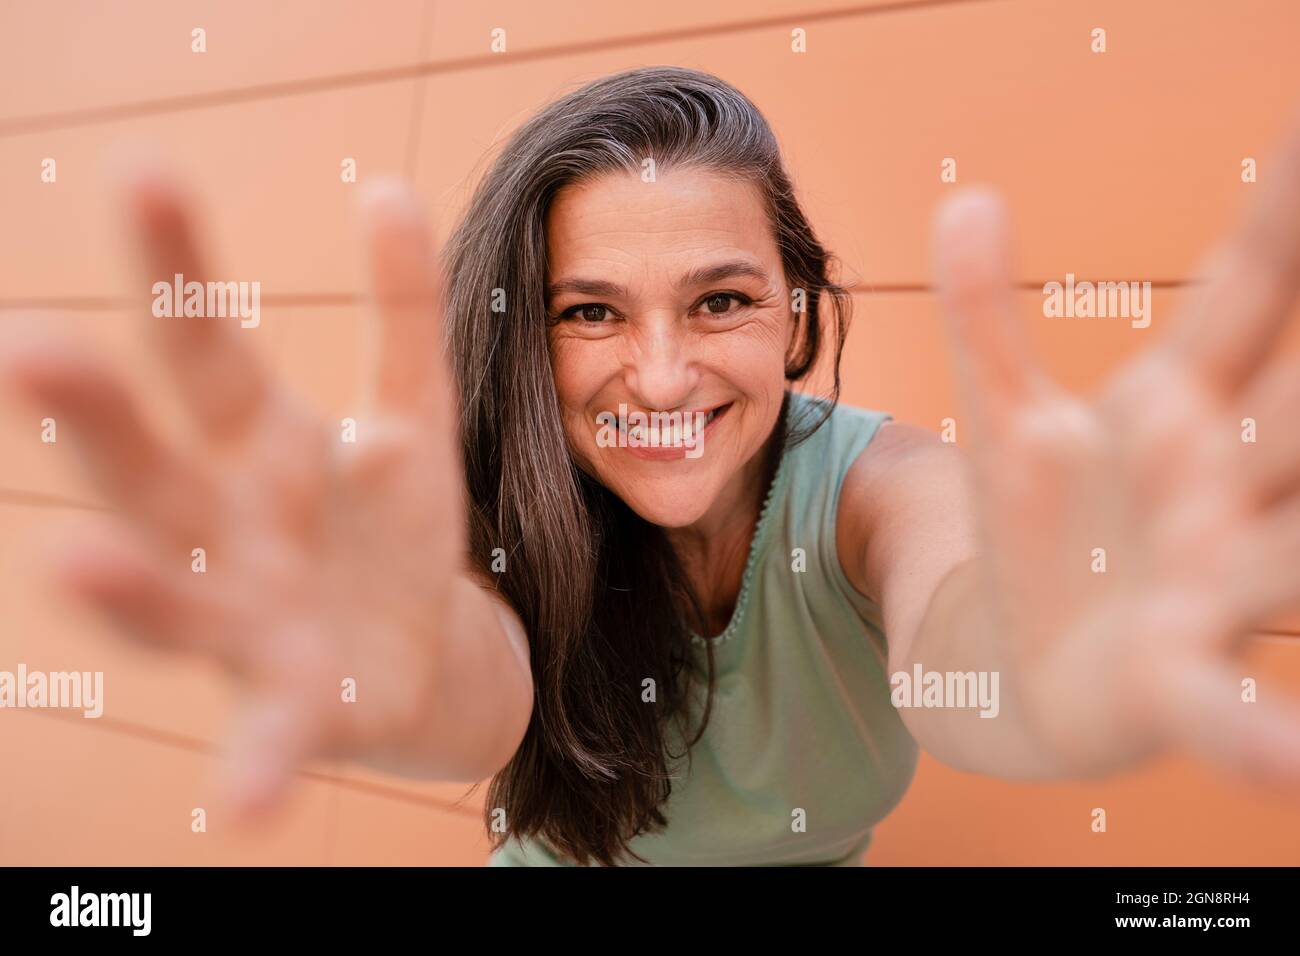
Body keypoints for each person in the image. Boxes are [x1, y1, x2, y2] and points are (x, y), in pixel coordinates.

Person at [4, 66, 1299, 867]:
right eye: (591, 312)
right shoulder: (485, 510)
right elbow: (475, 678)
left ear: (794, 313)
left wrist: (1035, 669)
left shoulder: (875, 493)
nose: (665, 376)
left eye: (721, 301)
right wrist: (396, 677)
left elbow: (965, 616)